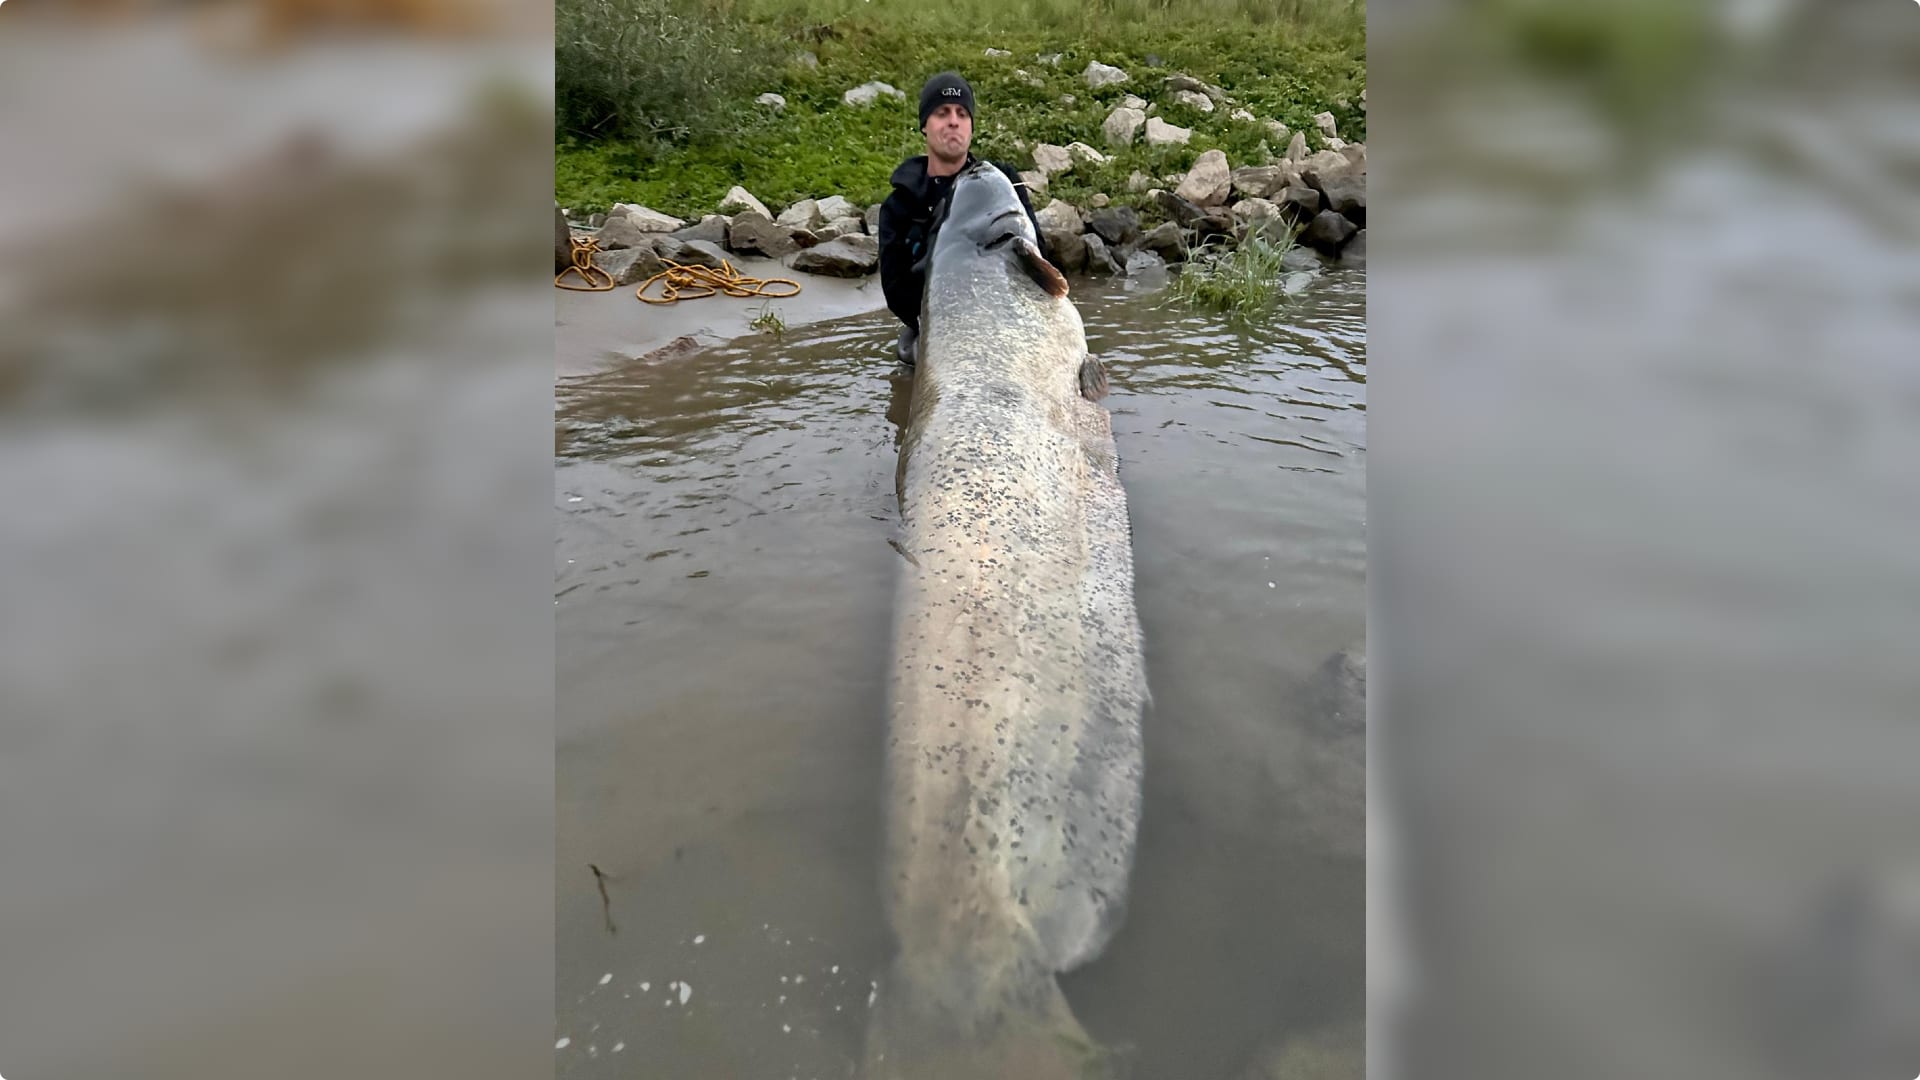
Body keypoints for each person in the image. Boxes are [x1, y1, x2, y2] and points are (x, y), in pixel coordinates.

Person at [877, 72, 1045, 371]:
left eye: (962, 113)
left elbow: (1038, 253)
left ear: (971, 126)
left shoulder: (1003, 181)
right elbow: (895, 293)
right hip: (938, 325)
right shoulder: (898, 205)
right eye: (942, 113)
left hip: (1005, 318)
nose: (953, 121)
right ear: (924, 126)